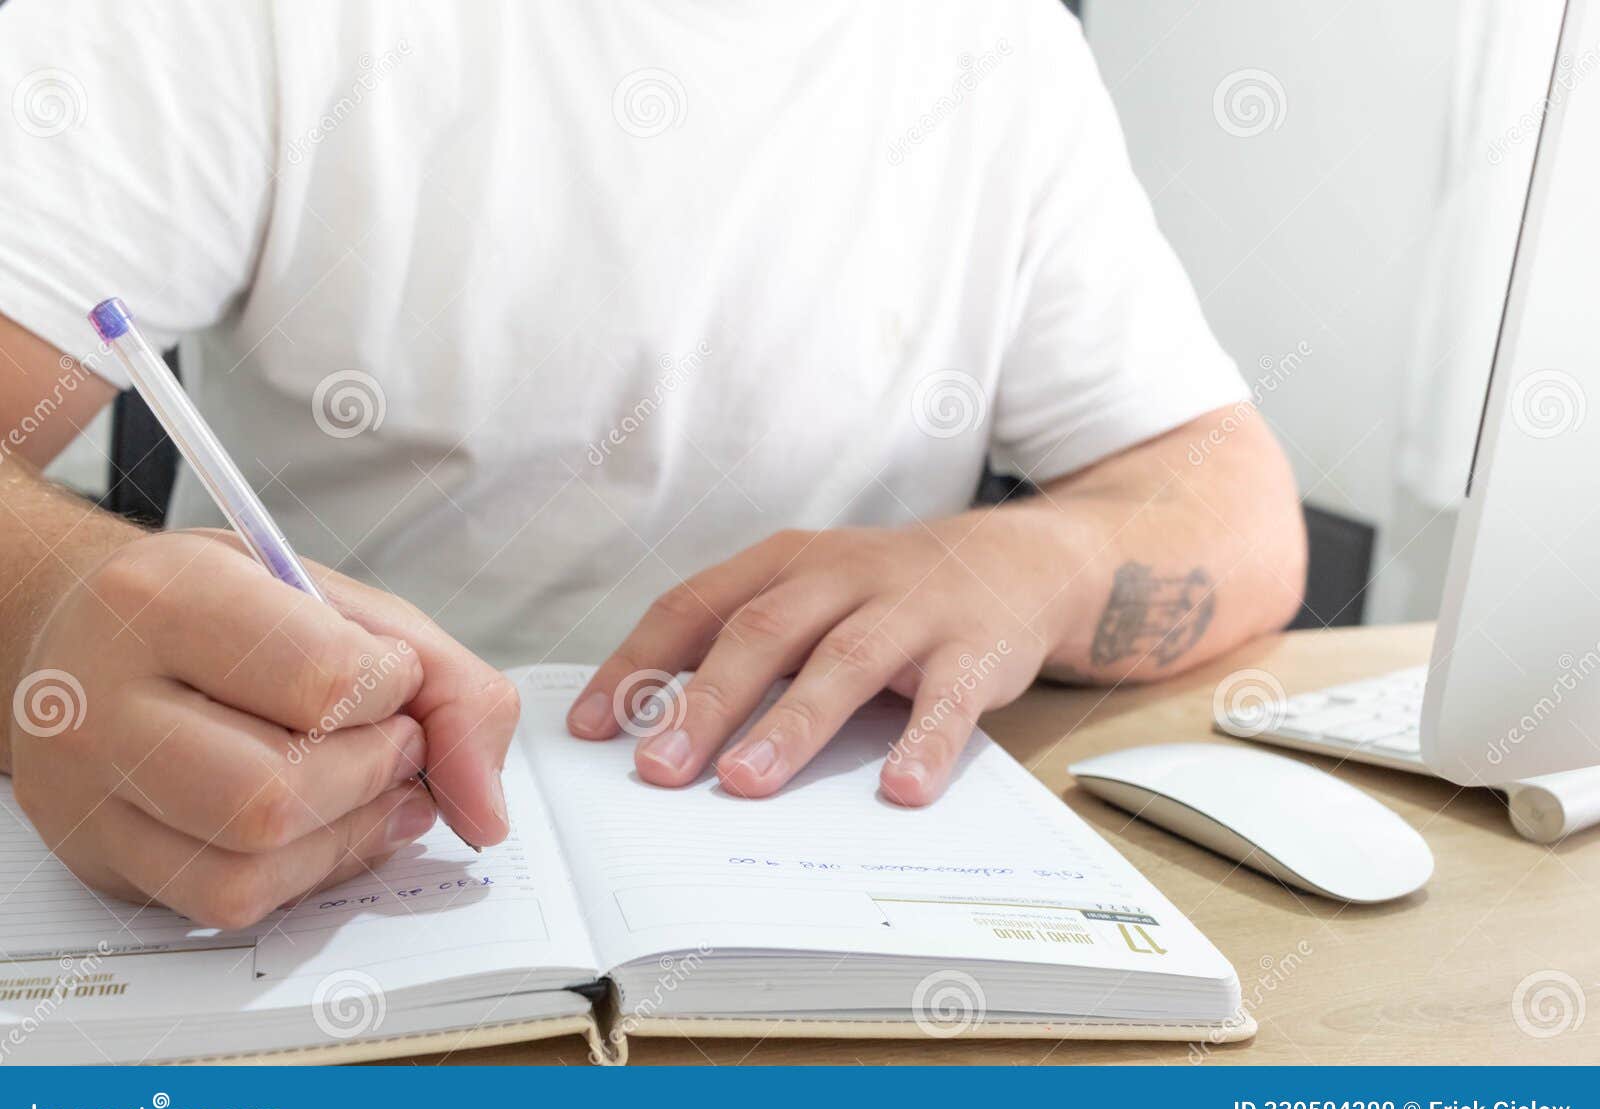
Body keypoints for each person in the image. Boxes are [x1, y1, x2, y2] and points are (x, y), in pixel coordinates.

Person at [0, 0, 1305, 930]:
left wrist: (1038, 564)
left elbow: (1238, 507)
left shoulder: (1004, 53)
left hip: (844, 928)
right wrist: (50, 609)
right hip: (311, 882)